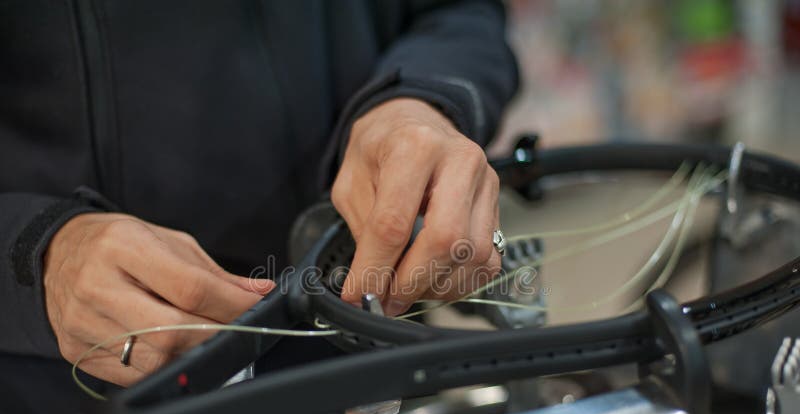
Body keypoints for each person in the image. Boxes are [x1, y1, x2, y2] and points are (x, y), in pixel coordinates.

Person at [0, 1, 518, 389]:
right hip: (77, 409)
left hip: (386, 366)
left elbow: (459, 12)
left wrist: (419, 101)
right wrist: (39, 260)